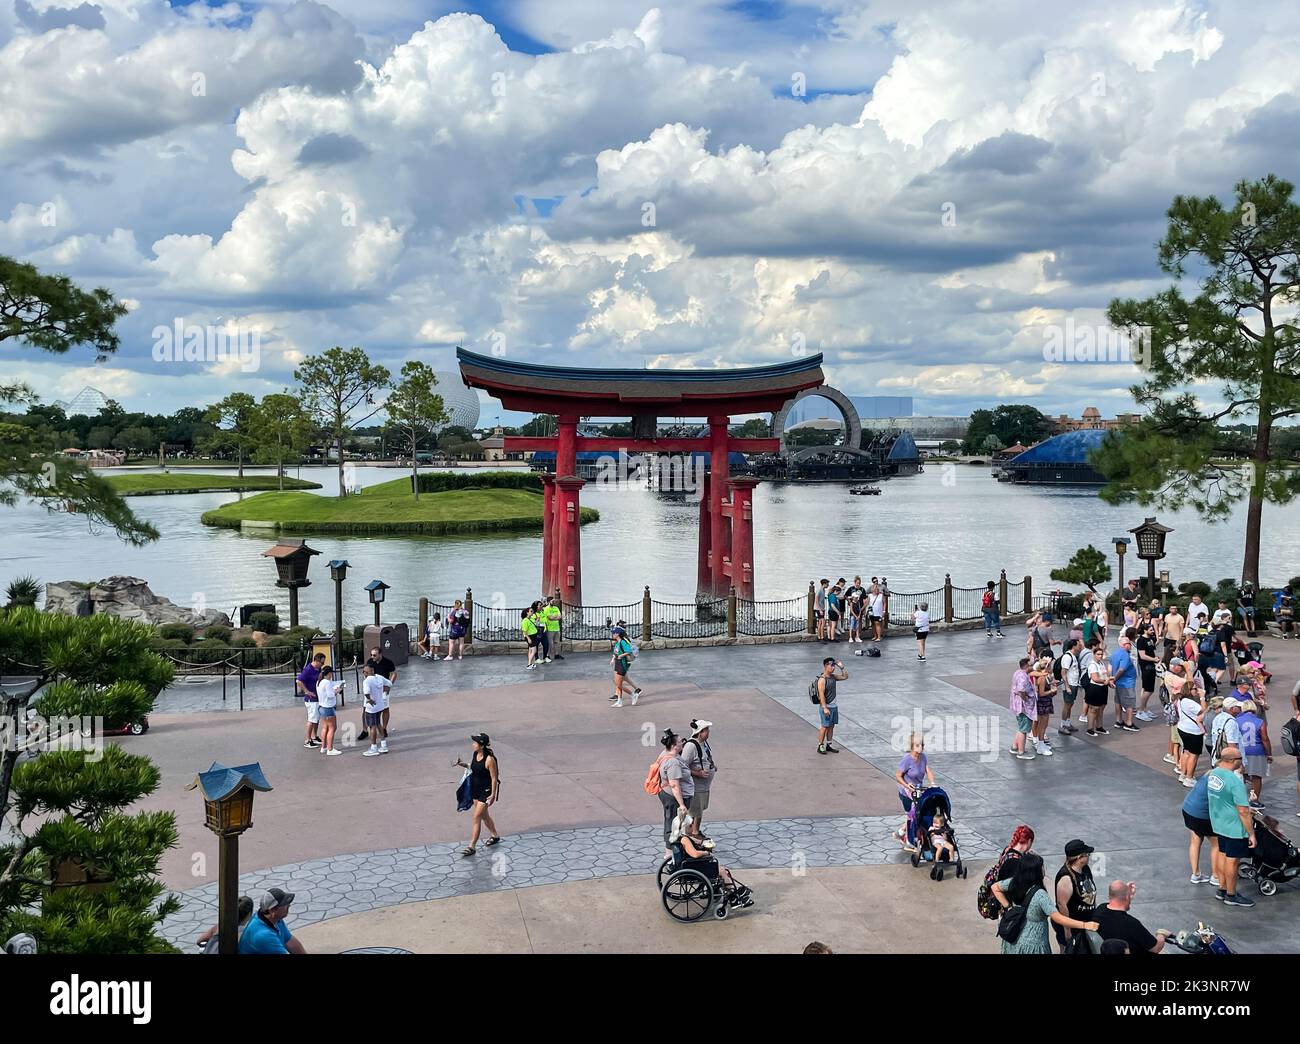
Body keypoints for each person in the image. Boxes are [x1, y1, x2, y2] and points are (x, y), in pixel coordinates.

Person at [991, 854, 1099, 954]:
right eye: (1042, 867)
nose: (1044, 869)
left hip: (1013, 940)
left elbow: (995, 887)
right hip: (1034, 945)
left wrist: (1008, 907)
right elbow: (1058, 918)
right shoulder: (1040, 895)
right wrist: (1084, 925)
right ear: (1036, 872)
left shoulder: (1014, 882)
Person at [1207, 745, 1256, 907]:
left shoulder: (1213, 774)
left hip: (1219, 822)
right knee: (1232, 861)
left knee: (1222, 854)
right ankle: (1231, 894)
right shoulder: (1235, 781)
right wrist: (1251, 833)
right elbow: (1243, 810)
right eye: (1240, 759)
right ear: (1233, 761)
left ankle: (1222, 889)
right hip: (1234, 827)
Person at [1092, 881, 1171, 954]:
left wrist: (1127, 895)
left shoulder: (1100, 909)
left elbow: (1119, 902)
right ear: (1126, 897)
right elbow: (1156, 948)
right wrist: (1161, 935)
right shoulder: (1132, 924)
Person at [455, 733, 501, 857]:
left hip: (485, 792)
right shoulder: (476, 754)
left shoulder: (489, 759)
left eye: (475, 742)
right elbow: (474, 767)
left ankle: (472, 846)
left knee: (476, 817)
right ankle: (495, 835)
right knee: (484, 816)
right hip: (475, 790)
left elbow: (493, 777)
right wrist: (463, 764)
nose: (473, 744)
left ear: (481, 745)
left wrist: (493, 794)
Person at [1053, 839, 1098, 953]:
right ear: (1079, 857)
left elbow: (1091, 895)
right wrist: (1067, 931)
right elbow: (1062, 905)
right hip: (1073, 925)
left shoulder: (1085, 869)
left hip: (1086, 923)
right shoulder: (1066, 878)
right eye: (1087, 854)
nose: (1088, 856)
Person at [653, 729, 690, 858]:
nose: (683, 743)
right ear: (674, 746)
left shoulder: (667, 754)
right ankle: (670, 852)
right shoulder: (672, 762)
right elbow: (674, 785)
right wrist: (682, 804)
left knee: (674, 822)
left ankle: (676, 848)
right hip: (672, 797)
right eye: (680, 742)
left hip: (668, 794)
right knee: (672, 823)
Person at [894, 732, 935, 842]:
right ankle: (907, 838)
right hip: (906, 792)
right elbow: (898, 776)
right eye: (917, 745)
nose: (920, 748)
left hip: (917, 790)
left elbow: (928, 770)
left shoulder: (923, 757)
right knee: (914, 814)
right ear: (912, 746)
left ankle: (901, 833)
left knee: (915, 814)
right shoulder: (907, 759)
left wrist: (932, 783)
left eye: (921, 745)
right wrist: (907, 785)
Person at [239, 888, 307, 954]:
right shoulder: (264, 936)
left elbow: (291, 943)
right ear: (273, 910)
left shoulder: (275, 919)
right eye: (284, 903)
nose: (289, 905)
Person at [1181, 771, 1218, 884]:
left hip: (1188, 808)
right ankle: (1216, 876)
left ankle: (1196, 874)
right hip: (1201, 814)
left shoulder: (1208, 775)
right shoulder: (1221, 780)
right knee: (1217, 844)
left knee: (1195, 840)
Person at [682, 719, 717, 831]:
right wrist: (697, 773)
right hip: (696, 787)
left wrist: (712, 766)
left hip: (704, 787)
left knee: (699, 810)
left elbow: (706, 756)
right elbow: (682, 767)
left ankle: (694, 831)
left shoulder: (704, 743)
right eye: (706, 730)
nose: (708, 732)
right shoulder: (690, 746)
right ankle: (692, 833)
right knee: (695, 811)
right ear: (700, 732)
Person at [1174, 666, 1206, 787]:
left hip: (1182, 728)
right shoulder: (1190, 702)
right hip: (1193, 731)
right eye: (1194, 689)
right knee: (1194, 754)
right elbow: (1203, 710)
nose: (1196, 691)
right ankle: (1189, 777)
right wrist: (1202, 697)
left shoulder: (1181, 700)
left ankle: (1183, 774)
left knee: (1186, 752)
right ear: (1189, 690)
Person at [815, 656, 847, 755]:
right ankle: (820, 745)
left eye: (834, 666)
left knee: (831, 726)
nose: (833, 668)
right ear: (825, 666)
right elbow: (821, 695)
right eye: (831, 666)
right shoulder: (822, 679)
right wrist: (825, 708)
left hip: (834, 706)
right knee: (824, 726)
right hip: (826, 707)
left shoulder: (833, 677)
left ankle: (829, 744)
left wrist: (842, 667)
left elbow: (845, 677)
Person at [363, 645, 397, 740]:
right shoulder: (370, 662)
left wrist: (389, 686)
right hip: (373, 690)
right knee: (367, 709)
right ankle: (365, 729)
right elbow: (366, 673)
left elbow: (394, 673)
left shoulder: (388, 662)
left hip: (383, 689)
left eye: (374, 655)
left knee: (385, 709)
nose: (372, 657)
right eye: (371, 655)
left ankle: (384, 728)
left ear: (380, 654)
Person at [1109, 634, 1140, 732]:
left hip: (1119, 683)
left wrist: (1111, 678)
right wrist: (1114, 679)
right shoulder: (1125, 655)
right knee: (1129, 703)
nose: (1130, 646)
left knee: (1118, 702)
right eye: (1129, 644)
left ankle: (1119, 721)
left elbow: (1110, 666)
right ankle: (1129, 723)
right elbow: (1121, 669)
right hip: (1126, 683)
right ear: (1124, 645)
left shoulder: (1114, 654)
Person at [360, 662, 392, 757]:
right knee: (378, 724)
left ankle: (374, 747)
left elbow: (366, 692)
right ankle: (383, 745)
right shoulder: (379, 677)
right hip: (380, 705)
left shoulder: (367, 681)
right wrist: (384, 691)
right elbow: (389, 683)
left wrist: (369, 699)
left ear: (369, 671)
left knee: (372, 726)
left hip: (371, 708)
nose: (364, 673)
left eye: (365, 671)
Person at [1009, 657, 1037, 760]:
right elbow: (1021, 690)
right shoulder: (1023, 676)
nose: (1033, 667)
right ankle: (1021, 752)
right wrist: (1025, 700)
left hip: (1017, 705)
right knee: (1024, 729)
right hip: (1023, 707)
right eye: (1031, 665)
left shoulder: (1018, 672)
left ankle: (1015, 746)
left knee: (1021, 727)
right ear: (1026, 666)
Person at [1083, 639, 1113, 737]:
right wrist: (1105, 681)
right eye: (1098, 654)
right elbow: (1095, 678)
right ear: (1094, 654)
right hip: (1095, 688)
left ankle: (1099, 726)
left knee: (1101, 708)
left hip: (1103, 688)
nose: (1100, 656)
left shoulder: (1101, 663)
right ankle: (1090, 728)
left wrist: (1109, 681)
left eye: (1101, 654)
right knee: (1094, 709)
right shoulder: (1092, 665)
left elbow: (1104, 675)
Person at [296, 652, 325, 748]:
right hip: (311, 699)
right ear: (316, 661)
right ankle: (308, 740)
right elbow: (299, 681)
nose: (322, 664)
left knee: (316, 718)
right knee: (312, 719)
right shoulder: (308, 669)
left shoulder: (318, 668)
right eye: (322, 662)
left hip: (317, 698)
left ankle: (314, 736)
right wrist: (306, 691)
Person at [1029, 655, 1055, 756]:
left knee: (1044, 724)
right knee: (1042, 725)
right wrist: (1051, 691)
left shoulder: (1042, 676)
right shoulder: (1042, 678)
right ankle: (1040, 745)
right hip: (1043, 702)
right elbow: (1041, 693)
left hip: (1045, 702)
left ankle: (1041, 743)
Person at [1134, 623, 1160, 722]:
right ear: (1145, 630)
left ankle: (1144, 709)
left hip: (1151, 665)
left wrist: (1155, 657)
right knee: (1149, 690)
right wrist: (1154, 659)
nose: (1153, 631)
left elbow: (1151, 650)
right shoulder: (1141, 640)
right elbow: (1142, 655)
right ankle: (1140, 711)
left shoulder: (1150, 639)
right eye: (1151, 629)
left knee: (1145, 688)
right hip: (1146, 667)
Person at [609, 625, 640, 706]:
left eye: (614, 633)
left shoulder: (623, 642)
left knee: (618, 683)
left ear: (618, 634)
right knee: (616, 682)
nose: (612, 634)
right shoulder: (617, 643)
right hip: (617, 663)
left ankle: (633, 695)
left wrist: (621, 656)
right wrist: (613, 659)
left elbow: (628, 651)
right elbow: (615, 653)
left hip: (622, 664)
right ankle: (619, 701)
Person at [315, 665, 343, 756]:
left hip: (322, 707)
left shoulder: (319, 682)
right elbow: (331, 695)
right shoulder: (327, 682)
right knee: (332, 728)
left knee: (325, 727)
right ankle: (330, 749)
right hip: (328, 707)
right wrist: (337, 690)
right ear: (330, 673)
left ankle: (324, 747)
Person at [1057, 637, 1081, 737]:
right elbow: (1064, 672)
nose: (1080, 646)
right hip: (1070, 684)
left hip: (1074, 683)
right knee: (1067, 705)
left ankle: (1067, 723)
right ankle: (1063, 725)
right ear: (1074, 646)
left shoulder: (1073, 656)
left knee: (1070, 704)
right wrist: (1067, 686)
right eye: (1078, 644)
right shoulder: (1067, 657)